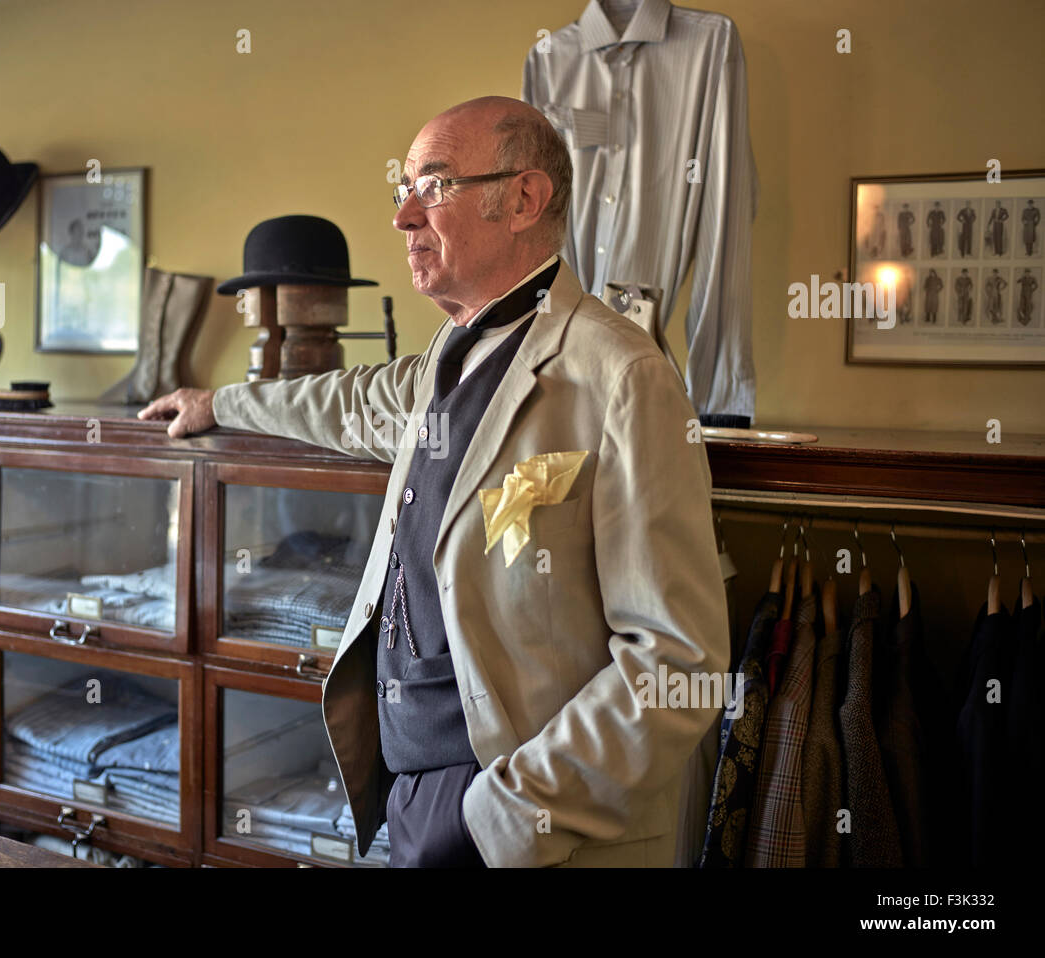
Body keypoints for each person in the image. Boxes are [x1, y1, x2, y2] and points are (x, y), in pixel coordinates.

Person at [140, 96, 728, 868]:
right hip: (408, 795)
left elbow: (678, 662)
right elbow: (343, 401)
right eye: (403, 190)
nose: (403, 217)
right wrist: (216, 404)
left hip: (527, 822)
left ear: (524, 199)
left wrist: (503, 815)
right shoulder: (444, 360)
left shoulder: (623, 376)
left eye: (435, 186)